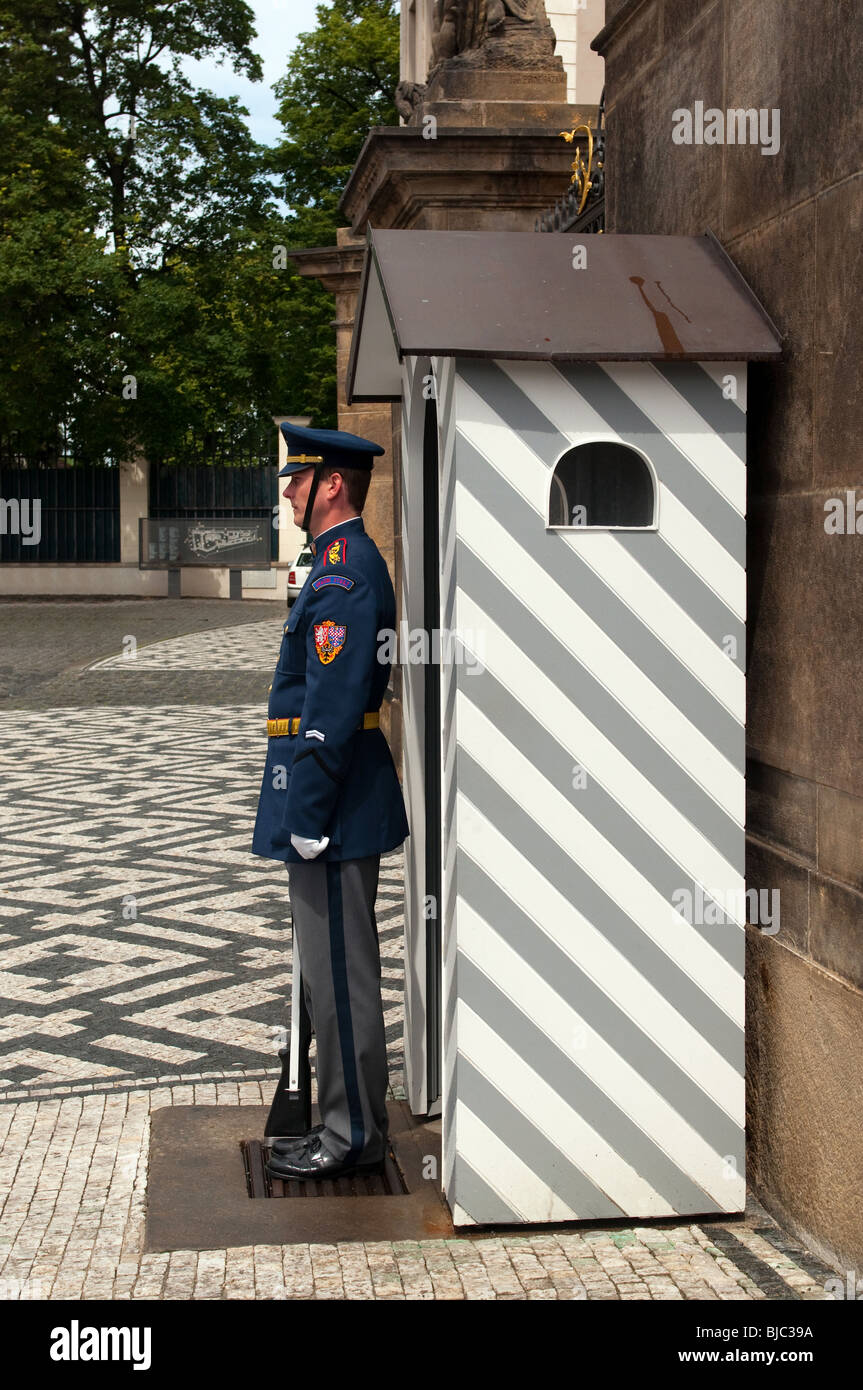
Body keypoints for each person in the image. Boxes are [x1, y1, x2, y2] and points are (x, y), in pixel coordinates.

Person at [252, 422, 409, 1181]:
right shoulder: (332, 567)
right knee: (328, 968)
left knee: (341, 976)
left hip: (334, 804)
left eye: (297, 476)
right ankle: (349, 1124)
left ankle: (351, 1137)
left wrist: (308, 813)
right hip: (326, 798)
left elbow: (334, 706)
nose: (286, 491)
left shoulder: (345, 575)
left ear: (331, 485)